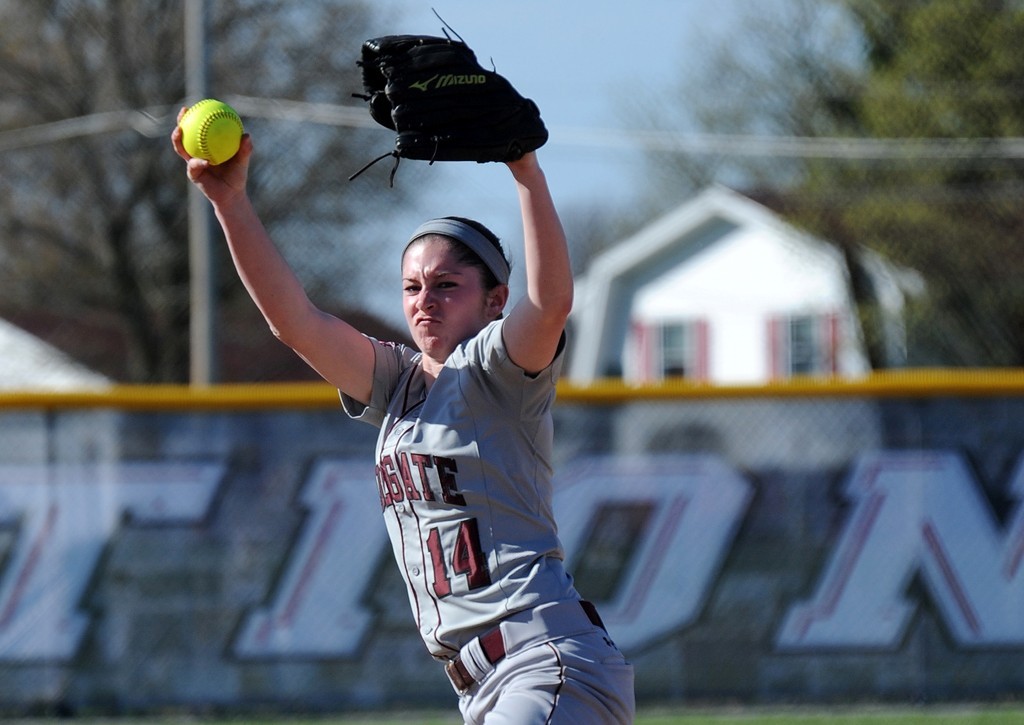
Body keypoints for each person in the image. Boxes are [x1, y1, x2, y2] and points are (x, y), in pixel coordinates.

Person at [172, 110, 635, 724]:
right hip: (483, 684)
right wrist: (229, 202)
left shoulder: (498, 370)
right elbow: (296, 324)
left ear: (495, 300)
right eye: (412, 287)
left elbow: (550, 303)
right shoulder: (397, 382)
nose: (425, 301)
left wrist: (525, 170)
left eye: (446, 285)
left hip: (543, 662)